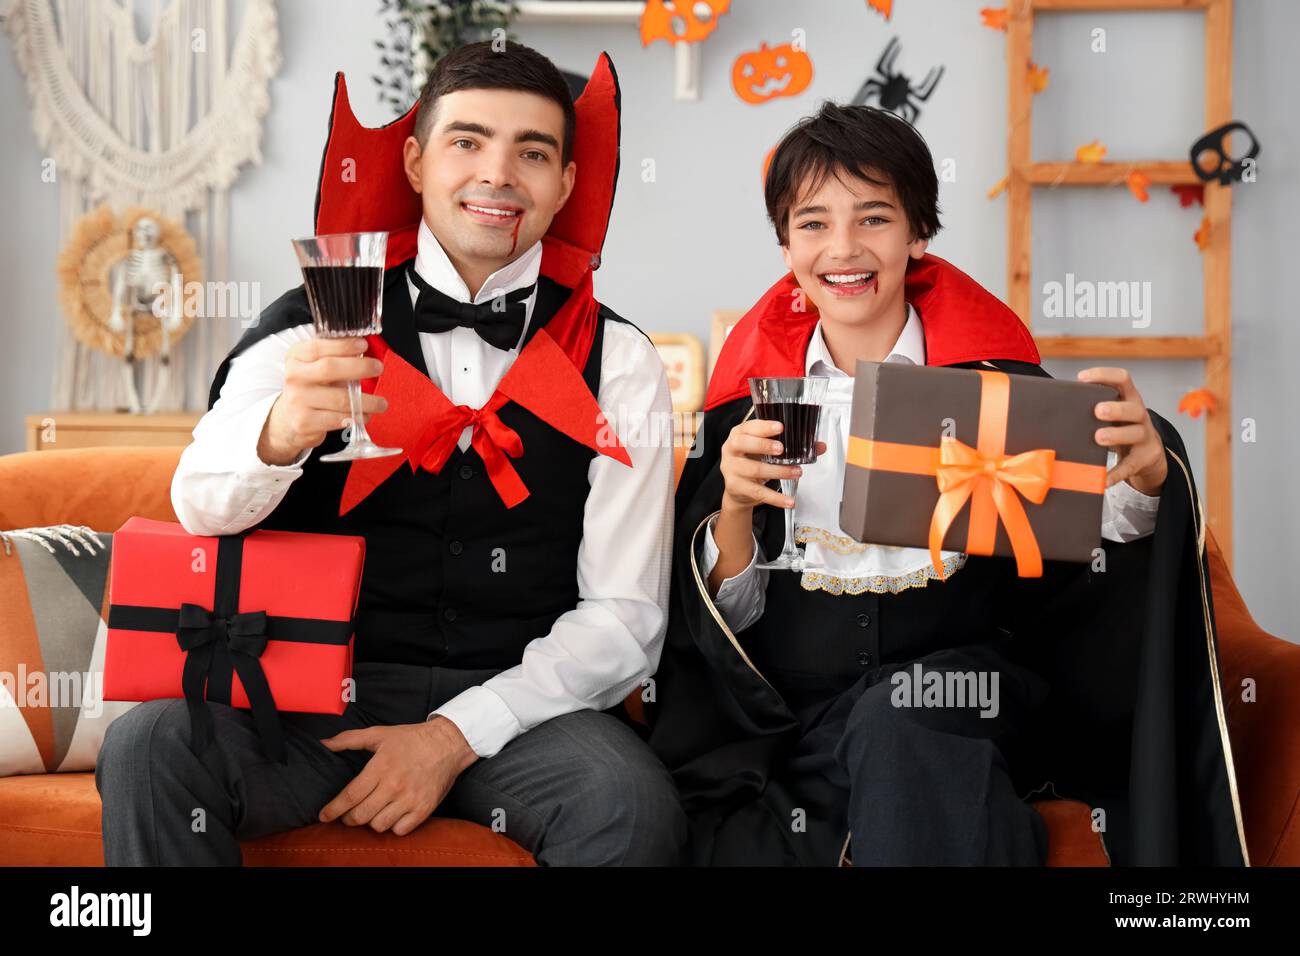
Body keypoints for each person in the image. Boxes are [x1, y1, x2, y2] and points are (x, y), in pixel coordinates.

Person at [96, 41, 687, 866]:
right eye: (468, 141)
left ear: (566, 184)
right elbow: (198, 501)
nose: (499, 173)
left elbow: (626, 619)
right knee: (152, 744)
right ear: (415, 162)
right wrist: (281, 434)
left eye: (533, 152)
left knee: (630, 805)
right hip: (309, 701)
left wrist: (452, 735)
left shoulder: (620, 360)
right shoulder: (307, 322)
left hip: (521, 711)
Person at [647, 102, 1247, 866]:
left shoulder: (999, 388)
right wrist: (734, 506)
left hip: (961, 695)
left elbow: (1078, 573)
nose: (843, 249)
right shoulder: (746, 405)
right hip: (792, 718)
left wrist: (1145, 478)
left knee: (903, 719)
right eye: (812, 223)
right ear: (785, 241)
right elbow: (723, 627)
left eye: (873, 219)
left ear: (917, 233)